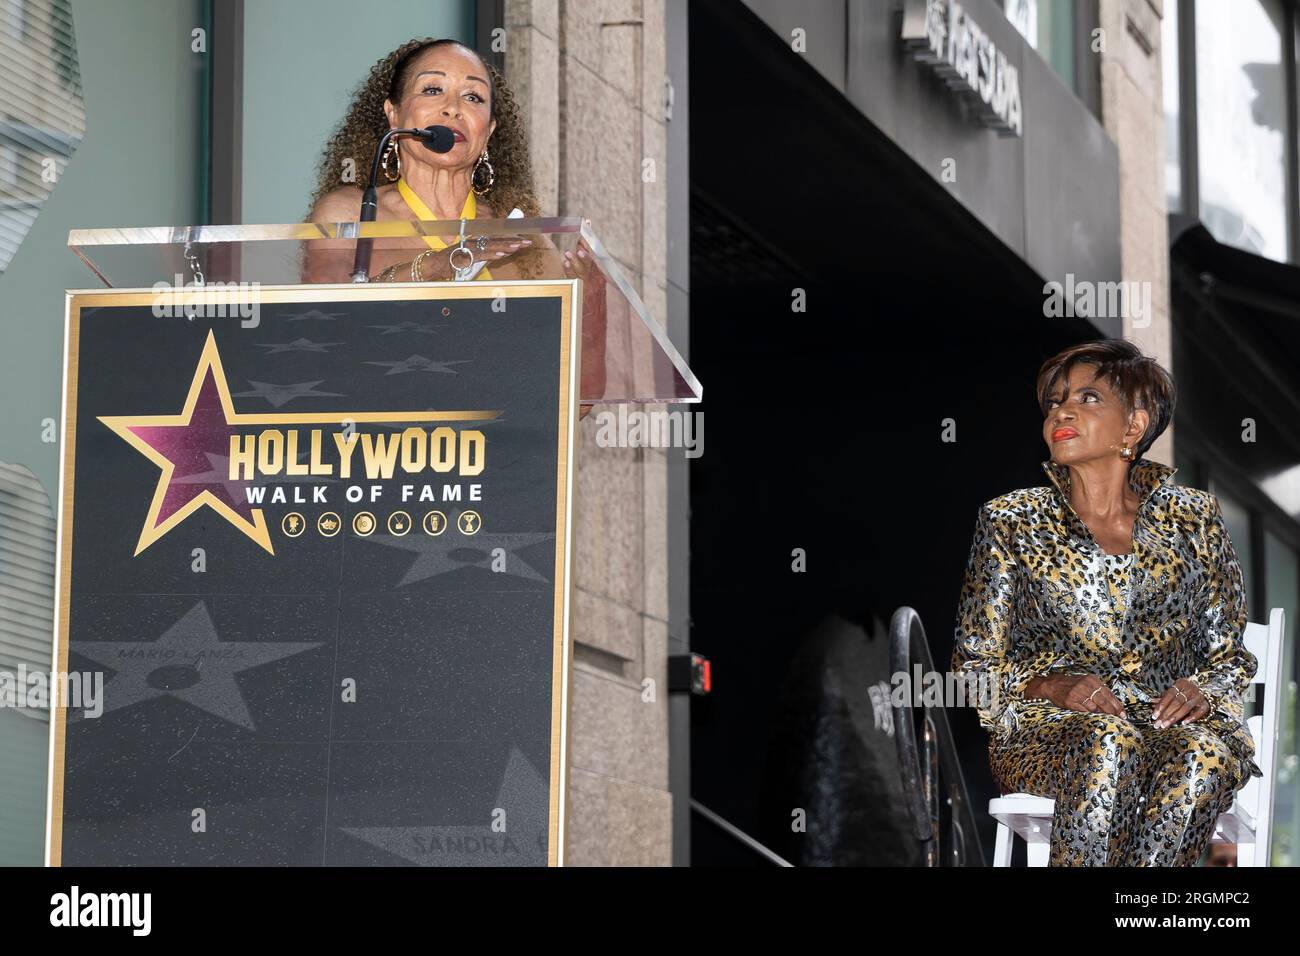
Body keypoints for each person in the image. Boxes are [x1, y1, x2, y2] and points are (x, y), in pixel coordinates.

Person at [951, 339, 1261, 866]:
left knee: (1203, 757)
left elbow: (1229, 654)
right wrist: (1052, 685)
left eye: (1088, 398)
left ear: (1134, 427)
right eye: (1054, 402)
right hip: (1050, 731)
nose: (1062, 412)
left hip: (1172, 730)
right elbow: (973, 667)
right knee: (1107, 743)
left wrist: (1200, 688)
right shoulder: (1011, 521)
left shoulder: (1195, 518)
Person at [303, 37, 603, 413]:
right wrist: (433, 266)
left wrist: (592, 304)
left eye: (473, 98)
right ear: (394, 115)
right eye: (433, 90)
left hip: (495, 460)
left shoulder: (522, 240)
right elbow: (321, 328)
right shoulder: (351, 213)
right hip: (375, 452)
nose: (453, 109)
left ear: (488, 131)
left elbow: (577, 404)